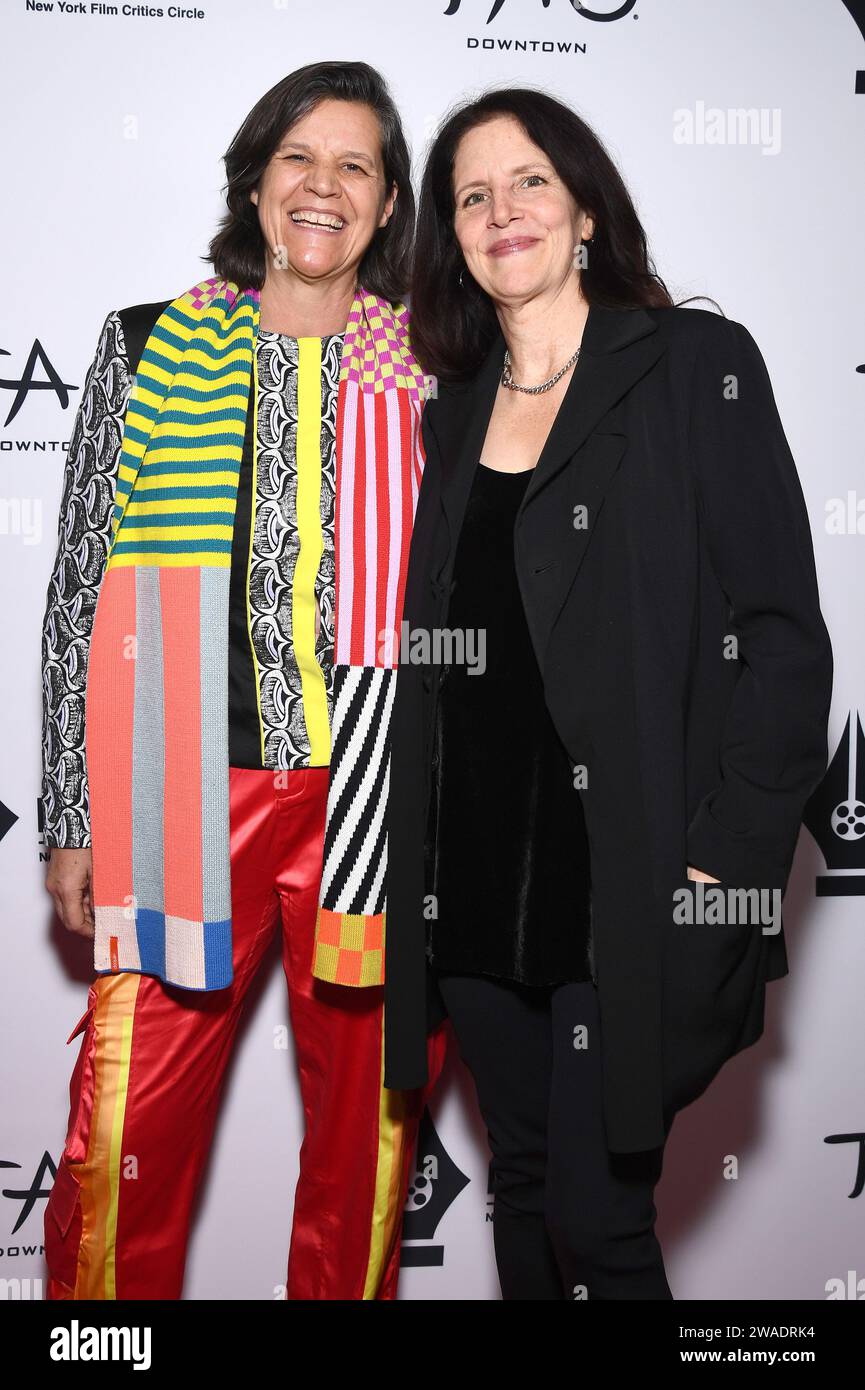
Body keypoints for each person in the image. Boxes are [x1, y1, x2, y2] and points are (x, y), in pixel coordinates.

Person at [377, 88, 833, 1299]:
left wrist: (724, 861)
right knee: (520, 1195)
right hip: (475, 890)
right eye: (471, 196)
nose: (500, 211)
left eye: (528, 180)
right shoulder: (453, 414)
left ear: (584, 204)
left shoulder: (691, 366)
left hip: (632, 885)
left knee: (600, 1215)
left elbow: (784, 637)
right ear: (452, 241)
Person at [41, 60, 447, 1302]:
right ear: (257, 180)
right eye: (298, 159)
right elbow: (80, 587)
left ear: (386, 209)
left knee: (368, 1136)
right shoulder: (142, 343)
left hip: (378, 797)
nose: (322, 186)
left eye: (356, 166)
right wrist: (70, 814)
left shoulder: (439, 365)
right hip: (180, 783)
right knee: (122, 1135)